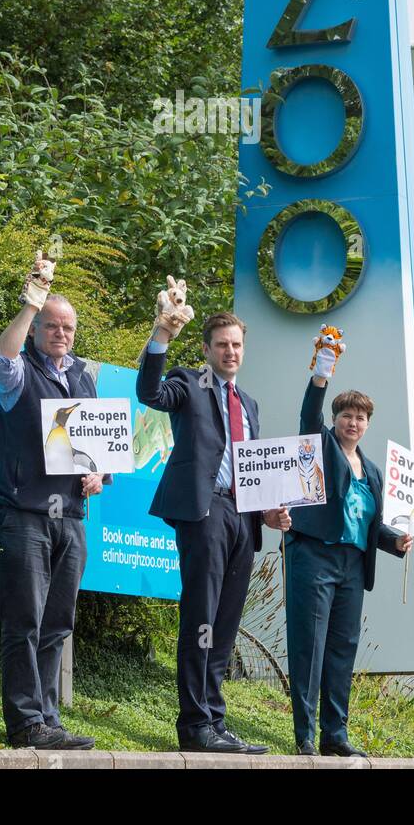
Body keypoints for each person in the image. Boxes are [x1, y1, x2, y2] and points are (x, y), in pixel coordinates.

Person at [136, 277, 291, 754]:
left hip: (242, 520)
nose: (230, 351)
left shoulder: (251, 403)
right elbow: (148, 393)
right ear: (206, 348)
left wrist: (268, 510)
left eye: (237, 344)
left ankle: (216, 723)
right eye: (222, 344)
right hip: (203, 511)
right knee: (200, 615)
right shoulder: (187, 382)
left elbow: (251, 468)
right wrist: (162, 333)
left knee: (224, 622)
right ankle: (194, 726)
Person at [0, 251, 103, 751]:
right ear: (36, 329)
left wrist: (100, 472)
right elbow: (0, 357)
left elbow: (97, 444)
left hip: (70, 518)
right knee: (25, 621)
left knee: (58, 622)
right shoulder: (18, 369)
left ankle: (48, 718)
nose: (60, 332)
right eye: (51, 324)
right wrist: (31, 302)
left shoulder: (83, 378)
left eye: (68, 326)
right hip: (23, 514)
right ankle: (24, 722)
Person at [285, 328, 413, 757]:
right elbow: (308, 416)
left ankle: (335, 735)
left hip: (352, 567)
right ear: (336, 420)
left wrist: (395, 541)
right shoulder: (320, 446)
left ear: (367, 424)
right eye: (346, 415)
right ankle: (304, 734)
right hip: (313, 557)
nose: (352, 422)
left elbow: (371, 524)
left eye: (360, 417)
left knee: (342, 650)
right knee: (310, 646)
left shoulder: (373, 472)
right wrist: (322, 372)